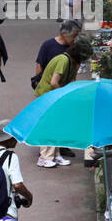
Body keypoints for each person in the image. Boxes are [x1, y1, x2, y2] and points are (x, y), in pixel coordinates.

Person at [34, 37, 91, 168]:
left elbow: (71, 81)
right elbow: (54, 82)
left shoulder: (73, 63)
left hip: (56, 96)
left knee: (57, 125)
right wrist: (64, 94)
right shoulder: (63, 60)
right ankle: (44, 157)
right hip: (47, 95)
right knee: (49, 126)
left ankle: (55, 155)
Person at [33, 20, 81, 156]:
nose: (75, 39)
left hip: (62, 89)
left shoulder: (73, 49)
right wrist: (38, 81)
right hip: (50, 89)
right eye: (74, 35)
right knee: (48, 120)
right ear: (64, 33)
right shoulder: (48, 45)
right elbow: (39, 64)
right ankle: (46, 150)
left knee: (63, 119)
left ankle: (60, 148)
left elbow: (72, 73)